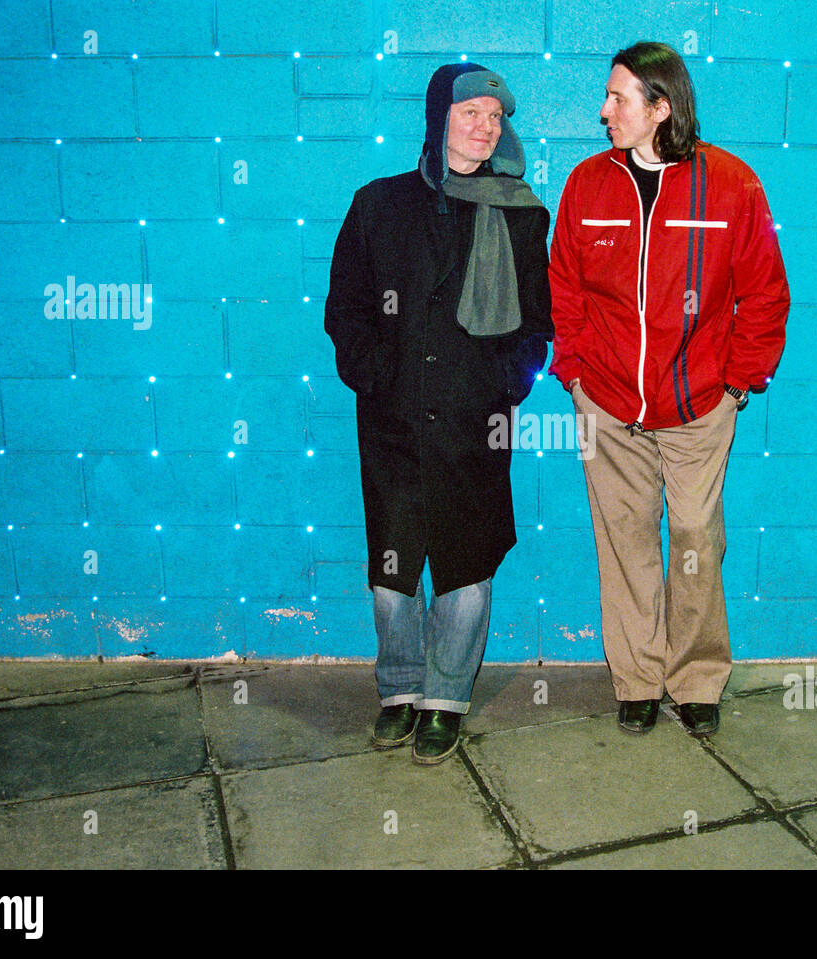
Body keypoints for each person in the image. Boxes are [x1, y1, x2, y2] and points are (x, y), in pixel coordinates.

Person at [548, 41, 789, 737]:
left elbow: (766, 295)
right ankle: (637, 678)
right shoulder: (588, 184)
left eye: (618, 98)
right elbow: (563, 285)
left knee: (693, 537)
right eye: (607, 97)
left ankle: (697, 677)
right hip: (610, 402)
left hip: (698, 405)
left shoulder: (733, 185)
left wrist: (738, 384)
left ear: (661, 107)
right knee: (623, 540)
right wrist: (577, 374)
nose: (604, 112)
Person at [323, 63, 551, 764]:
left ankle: (445, 700)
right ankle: (397, 689)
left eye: (494, 116)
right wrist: (375, 375)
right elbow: (346, 310)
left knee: (465, 565)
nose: (484, 127)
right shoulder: (377, 205)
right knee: (393, 572)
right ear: (437, 117)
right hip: (392, 421)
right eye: (469, 112)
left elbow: (537, 326)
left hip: (472, 424)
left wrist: (502, 386)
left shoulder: (520, 213)